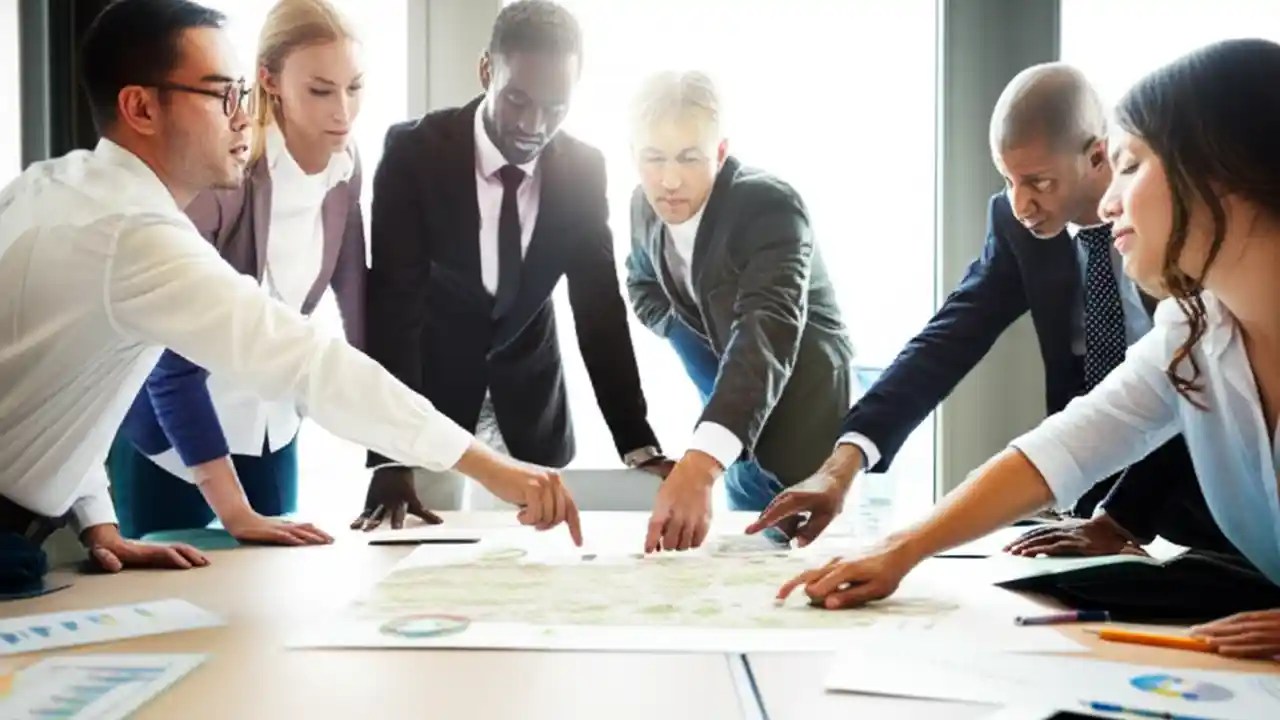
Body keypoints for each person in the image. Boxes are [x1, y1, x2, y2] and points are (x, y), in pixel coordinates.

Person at [0, 0, 582, 576]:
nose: (243, 116)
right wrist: (493, 468)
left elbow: (68, 389)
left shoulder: (50, 187)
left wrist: (98, 520)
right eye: (222, 94)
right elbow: (305, 361)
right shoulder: (133, 234)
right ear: (140, 108)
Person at [778, 38, 1280, 661]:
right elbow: (1064, 440)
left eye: (1130, 166)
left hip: (1208, 543)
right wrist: (898, 545)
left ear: (1218, 174)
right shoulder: (1193, 328)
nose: (1110, 203)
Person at [746, 63, 1234, 560]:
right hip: (1093, 497)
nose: (1022, 203)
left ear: (1096, 155)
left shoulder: (1172, 218)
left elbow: (1195, 380)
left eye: (1038, 182)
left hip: (1219, 494)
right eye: (1008, 180)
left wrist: (1123, 517)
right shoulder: (1016, 224)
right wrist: (842, 465)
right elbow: (945, 342)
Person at [355, 0, 667, 530]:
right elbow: (394, 305)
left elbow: (598, 310)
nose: (533, 125)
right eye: (517, 99)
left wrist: (638, 442)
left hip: (530, 401)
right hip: (431, 402)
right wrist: (391, 452)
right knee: (426, 563)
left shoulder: (582, 169)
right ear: (486, 70)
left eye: (555, 106)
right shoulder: (414, 153)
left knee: (529, 571)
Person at [108, 0, 365, 546]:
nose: (343, 111)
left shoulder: (345, 169)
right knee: (164, 610)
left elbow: (358, 306)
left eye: (355, 87)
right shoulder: (224, 181)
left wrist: (393, 457)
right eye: (321, 90)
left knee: (268, 600)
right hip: (173, 439)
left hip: (270, 427)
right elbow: (169, 367)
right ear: (268, 81)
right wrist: (234, 510)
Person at [623, 71, 854, 553]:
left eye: (689, 158)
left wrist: (702, 460)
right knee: (741, 573)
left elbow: (765, 332)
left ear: (721, 152)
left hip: (803, 431)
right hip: (732, 432)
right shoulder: (643, 207)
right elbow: (642, 283)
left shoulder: (768, 206)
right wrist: (699, 355)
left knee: (804, 587)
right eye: (653, 158)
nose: (668, 180)